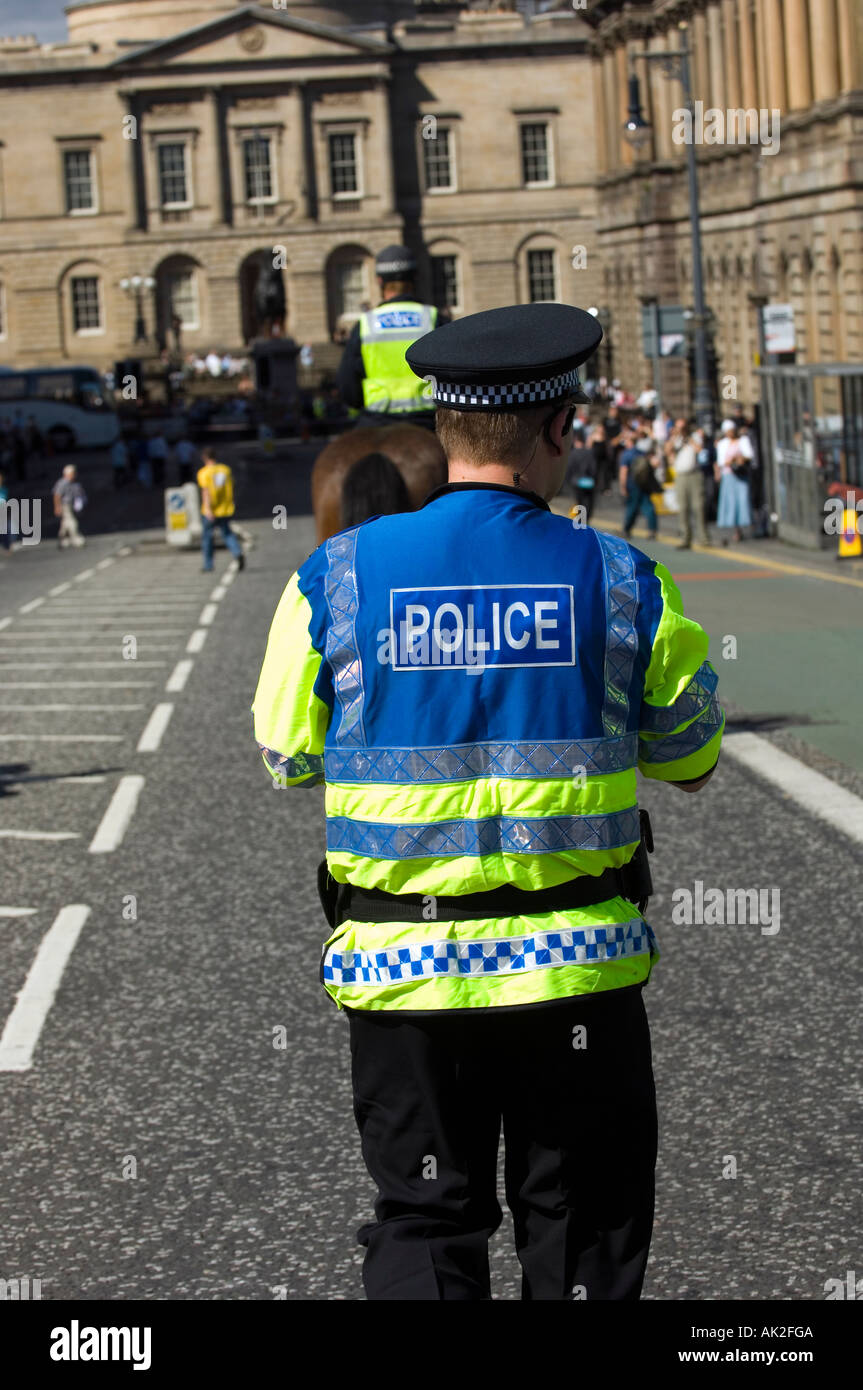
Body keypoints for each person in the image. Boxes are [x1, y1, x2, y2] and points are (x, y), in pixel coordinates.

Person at [252, 301, 724, 1302]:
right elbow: (688, 753)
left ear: (440, 430)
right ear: (558, 429)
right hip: (576, 976)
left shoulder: (333, 577)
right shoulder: (620, 576)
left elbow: (285, 755)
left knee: (425, 1222)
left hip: (402, 975)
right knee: (583, 1226)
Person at [335, 245, 446, 431]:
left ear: (379, 281)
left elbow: (347, 387)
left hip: (377, 420)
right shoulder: (434, 318)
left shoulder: (365, 324)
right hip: (428, 420)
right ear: (414, 278)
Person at [197, 446, 245, 573]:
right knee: (227, 533)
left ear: (205, 458)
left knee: (207, 537)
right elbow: (232, 486)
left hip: (211, 509)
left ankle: (208, 564)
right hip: (225, 508)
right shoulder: (225, 470)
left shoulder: (204, 472)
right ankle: (237, 552)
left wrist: (208, 509)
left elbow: (206, 491)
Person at [666, 419, 709, 548]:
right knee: (683, 508)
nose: (681, 430)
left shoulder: (694, 437)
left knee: (698, 506)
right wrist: (674, 437)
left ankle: (703, 538)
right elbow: (667, 451)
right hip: (680, 476)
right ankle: (685, 538)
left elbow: (699, 449)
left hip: (694, 474)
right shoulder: (675, 439)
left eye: (683, 427)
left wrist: (688, 438)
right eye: (678, 427)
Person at [715, 420, 753, 544]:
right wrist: (731, 461)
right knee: (731, 502)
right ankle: (735, 529)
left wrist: (739, 458)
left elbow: (749, 455)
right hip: (729, 475)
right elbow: (721, 462)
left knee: (742, 500)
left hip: (741, 475)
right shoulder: (722, 444)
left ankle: (742, 527)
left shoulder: (743, 440)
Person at [620, 434, 662, 541]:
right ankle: (652, 530)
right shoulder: (641, 453)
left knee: (632, 508)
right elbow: (654, 464)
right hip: (644, 484)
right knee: (648, 507)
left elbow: (623, 472)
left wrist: (623, 487)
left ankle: (626, 529)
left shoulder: (627, 455)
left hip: (632, 485)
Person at [53, 463, 87, 548]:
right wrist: (57, 507)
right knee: (72, 522)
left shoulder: (73, 483)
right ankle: (76, 539)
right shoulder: (62, 483)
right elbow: (57, 495)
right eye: (73, 473)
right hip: (65, 505)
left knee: (65, 523)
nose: (75, 475)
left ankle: (62, 538)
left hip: (71, 505)